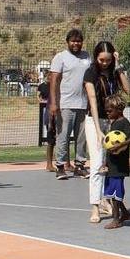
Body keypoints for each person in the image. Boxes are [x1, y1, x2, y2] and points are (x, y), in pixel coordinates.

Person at [83, 41, 130, 223]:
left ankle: (107, 201)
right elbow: (93, 101)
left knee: (112, 164)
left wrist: (119, 67)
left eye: (109, 60)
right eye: (101, 60)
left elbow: (128, 90)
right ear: (96, 58)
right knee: (97, 164)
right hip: (95, 120)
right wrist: (98, 130)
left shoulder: (114, 72)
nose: (105, 63)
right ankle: (95, 207)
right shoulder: (90, 73)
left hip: (113, 122)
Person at [50, 29, 91, 180]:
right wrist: (54, 103)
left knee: (82, 138)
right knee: (63, 136)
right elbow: (54, 80)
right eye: (73, 41)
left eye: (78, 41)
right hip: (65, 104)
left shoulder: (87, 56)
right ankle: (60, 166)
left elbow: (90, 78)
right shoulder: (60, 57)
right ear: (67, 42)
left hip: (83, 104)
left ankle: (79, 166)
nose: (76, 44)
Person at [101, 94, 130, 230]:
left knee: (116, 194)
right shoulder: (114, 123)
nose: (107, 113)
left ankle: (116, 220)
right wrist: (105, 162)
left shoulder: (123, 122)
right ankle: (126, 213)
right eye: (107, 110)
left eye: (110, 111)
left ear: (119, 109)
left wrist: (120, 146)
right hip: (112, 164)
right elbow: (109, 144)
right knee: (110, 193)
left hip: (119, 166)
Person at [38, 74, 57, 173]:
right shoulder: (48, 89)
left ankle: (65, 163)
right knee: (51, 141)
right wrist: (50, 122)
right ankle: (49, 164)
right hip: (50, 117)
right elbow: (49, 105)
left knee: (61, 141)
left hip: (59, 116)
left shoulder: (58, 87)